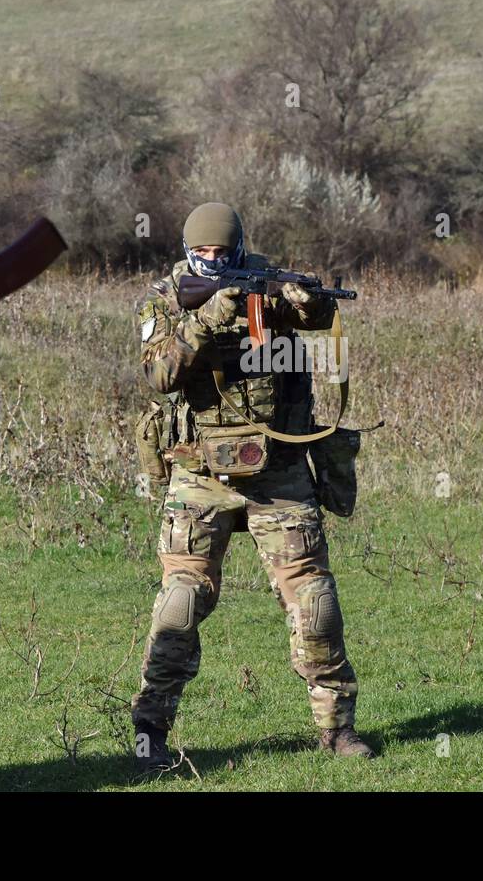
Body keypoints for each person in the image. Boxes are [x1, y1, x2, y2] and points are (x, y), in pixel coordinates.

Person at [130, 201, 371, 771]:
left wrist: (307, 306)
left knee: (313, 601)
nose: (212, 261)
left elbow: (318, 328)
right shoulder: (165, 299)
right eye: (203, 253)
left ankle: (337, 729)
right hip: (198, 472)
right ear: (188, 251)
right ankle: (150, 733)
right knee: (180, 603)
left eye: (222, 253)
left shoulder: (268, 285)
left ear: (239, 248)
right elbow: (159, 375)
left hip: (279, 469)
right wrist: (208, 317)